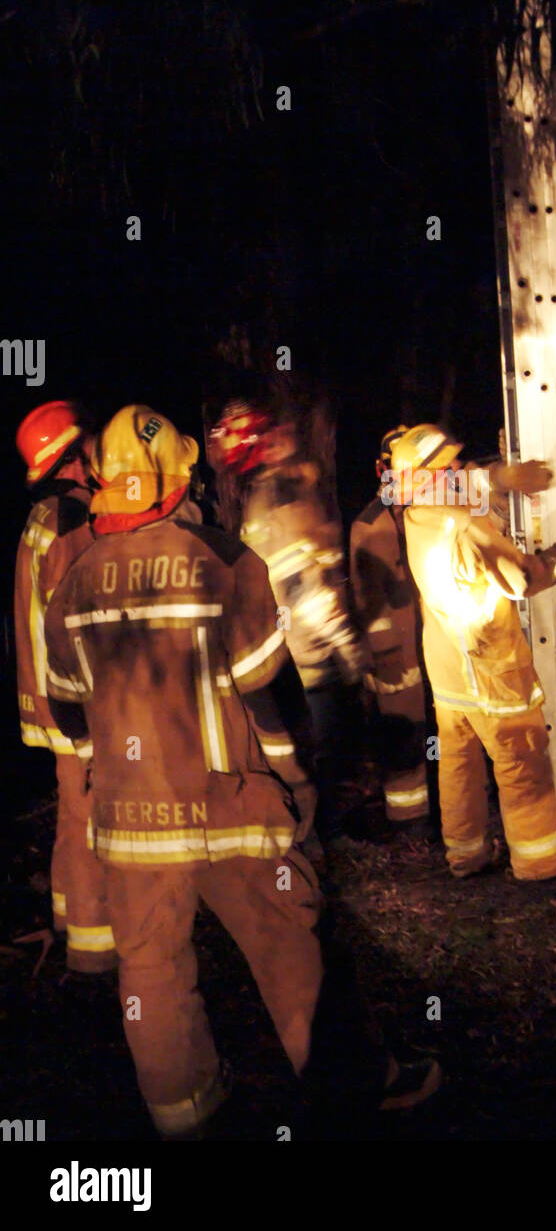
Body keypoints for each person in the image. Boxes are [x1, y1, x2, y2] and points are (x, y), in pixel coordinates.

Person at [44, 404, 439, 1137]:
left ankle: (187, 1115)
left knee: (151, 971)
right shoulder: (221, 560)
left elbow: (66, 707)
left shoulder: (74, 581)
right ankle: (355, 1089)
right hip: (233, 807)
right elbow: (268, 693)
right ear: (176, 477)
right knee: (289, 942)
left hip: (131, 826)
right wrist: (295, 783)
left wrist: (108, 766)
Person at [392, 423, 556, 881]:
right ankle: (540, 863)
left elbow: (456, 487)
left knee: (457, 762)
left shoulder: (416, 514)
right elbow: (522, 580)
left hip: (448, 670)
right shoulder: (465, 524)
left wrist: (499, 478)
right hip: (492, 667)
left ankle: (465, 855)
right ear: (429, 474)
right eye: (449, 464)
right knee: (521, 758)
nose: (460, 468)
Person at [209, 401, 370, 850]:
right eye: (274, 436)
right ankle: (322, 837)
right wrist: (345, 643)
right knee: (323, 745)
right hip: (310, 646)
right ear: (263, 448)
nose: (287, 438)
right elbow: (300, 583)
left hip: (293, 643)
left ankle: (318, 833)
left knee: (316, 743)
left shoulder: (268, 495)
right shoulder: (278, 498)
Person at [13, 400, 116, 975]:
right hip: (73, 705)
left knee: (70, 813)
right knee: (88, 818)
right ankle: (94, 950)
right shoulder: (74, 524)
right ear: (73, 459)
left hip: (44, 700)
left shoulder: (45, 517)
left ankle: (64, 915)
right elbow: (78, 624)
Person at [349, 426, 433, 827]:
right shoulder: (372, 526)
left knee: (432, 735)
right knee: (403, 742)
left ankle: (438, 815)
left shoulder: (427, 513)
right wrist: (386, 658)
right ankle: (408, 823)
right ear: (381, 468)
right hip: (397, 657)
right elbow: (371, 602)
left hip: (431, 646)